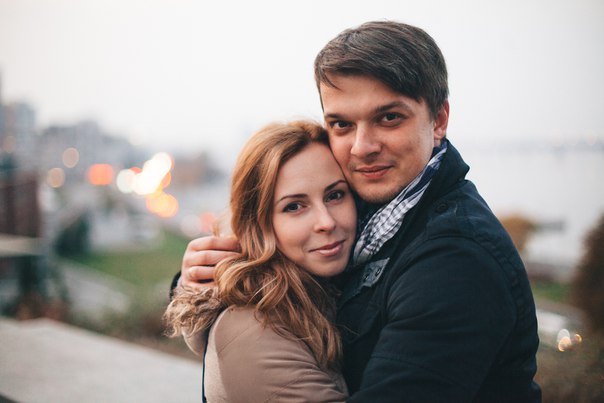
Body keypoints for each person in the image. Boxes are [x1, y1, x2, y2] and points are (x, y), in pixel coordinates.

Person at [175, 21, 541, 402]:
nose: (362, 147)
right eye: (342, 124)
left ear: (439, 120)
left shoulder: (455, 259)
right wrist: (198, 279)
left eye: (389, 117)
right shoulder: (366, 203)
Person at [165, 121, 355, 402]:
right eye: (294, 206)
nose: (326, 222)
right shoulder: (255, 330)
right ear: (258, 224)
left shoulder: (319, 289)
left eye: (335, 195)